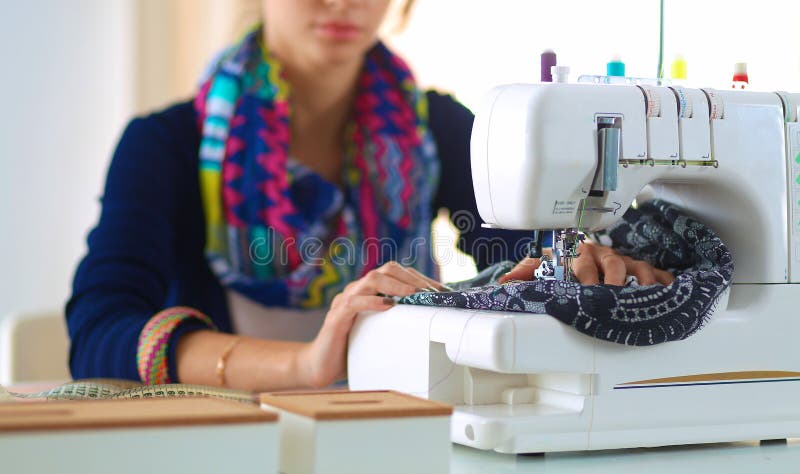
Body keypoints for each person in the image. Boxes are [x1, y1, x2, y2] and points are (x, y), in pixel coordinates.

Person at [66, 0, 671, 392]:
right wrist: (306, 366)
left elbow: (524, 251)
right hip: (222, 440)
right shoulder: (165, 145)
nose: (343, 1)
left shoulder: (436, 127)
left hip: (387, 431)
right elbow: (99, 332)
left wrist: (579, 267)